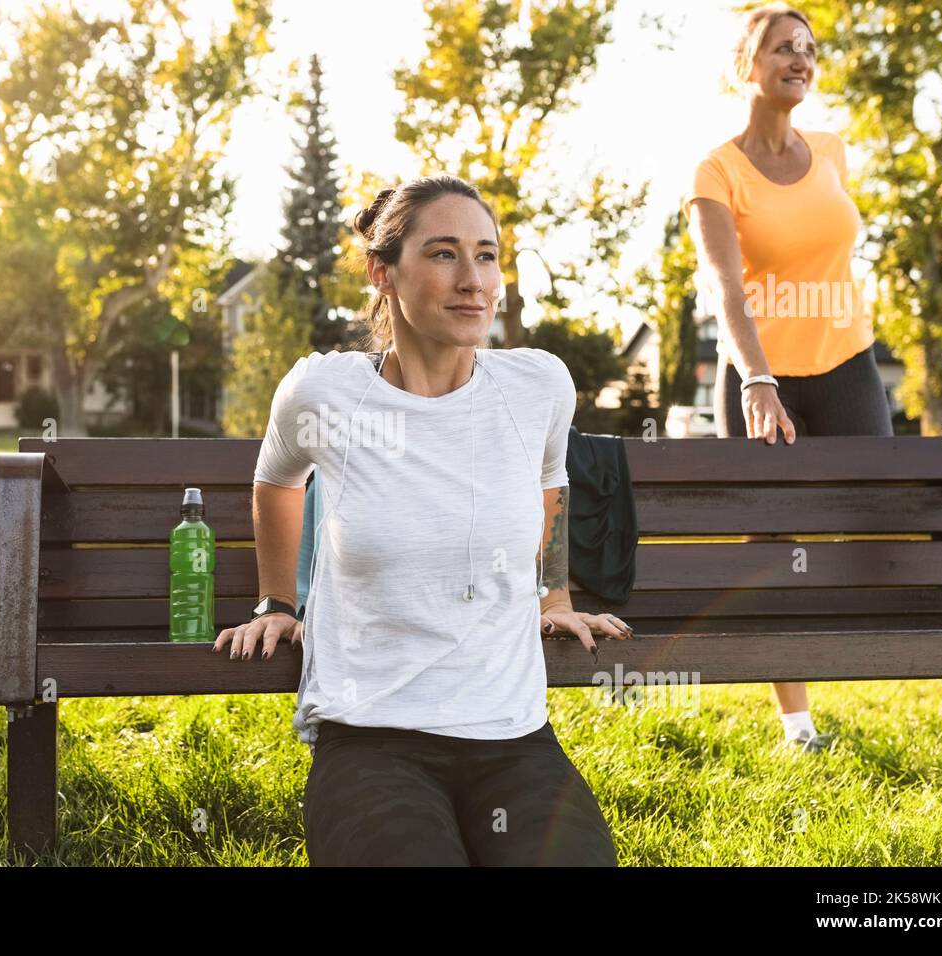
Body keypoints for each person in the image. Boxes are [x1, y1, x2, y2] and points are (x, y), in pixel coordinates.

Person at [212, 174, 631, 865]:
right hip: (370, 737)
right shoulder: (324, 391)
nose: (474, 280)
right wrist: (277, 600)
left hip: (512, 737)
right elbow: (276, 479)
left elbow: (550, 479)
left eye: (487, 255)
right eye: (443, 254)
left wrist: (553, 593)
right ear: (382, 271)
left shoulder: (538, 386)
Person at [683, 4, 894, 754]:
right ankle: (798, 726)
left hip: (845, 362)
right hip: (758, 377)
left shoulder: (833, 149)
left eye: (808, 49)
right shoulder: (717, 170)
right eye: (782, 48)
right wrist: (756, 378)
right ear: (748, 65)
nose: (799, 59)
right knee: (771, 539)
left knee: (882, 504)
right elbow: (723, 284)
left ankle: (889, 651)